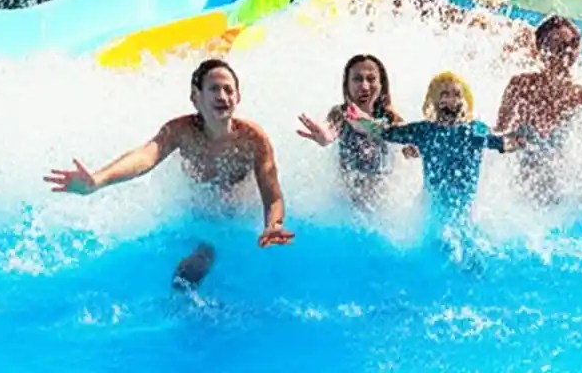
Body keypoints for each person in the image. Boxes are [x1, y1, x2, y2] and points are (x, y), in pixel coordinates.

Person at [44, 58, 294, 290]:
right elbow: (145, 156)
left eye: (229, 90)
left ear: (238, 96)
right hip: (203, 209)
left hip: (240, 211)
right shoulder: (182, 131)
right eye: (214, 89)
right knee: (196, 262)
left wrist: (273, 225)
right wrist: (97, 180)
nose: (222, 96)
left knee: (213, 251)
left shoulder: (252, 138)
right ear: (195, 97)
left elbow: (272, 194)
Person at [304, 70, 524, 222]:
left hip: (462, 215)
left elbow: (501, 142)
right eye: (444, 94)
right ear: (435, 101)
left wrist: (518, 141)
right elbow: (386, 133)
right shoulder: (424, 131)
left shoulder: (474, 130)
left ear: (464, 100)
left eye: (457, 94)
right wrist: (358, 119)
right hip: (430, 210)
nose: (451, 99)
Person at [495, 15, 582, 206]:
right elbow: (498, 135)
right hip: (522, 191)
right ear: (541, 50)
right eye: (558, 46)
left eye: (572, 44)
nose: (566, 52)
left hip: (563, 194)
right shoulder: (521, 86)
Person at [294, 54, 419, 209]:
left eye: (371, 79)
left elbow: (412, 149)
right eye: (357, 79)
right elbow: (330, 130)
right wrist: (326, 136)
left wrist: (413, 150)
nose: (365, 86)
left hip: (383, 206)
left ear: (381, 85)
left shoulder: (391, 118)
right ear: (347, 85)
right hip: (348, 207)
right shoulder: (340, 113)